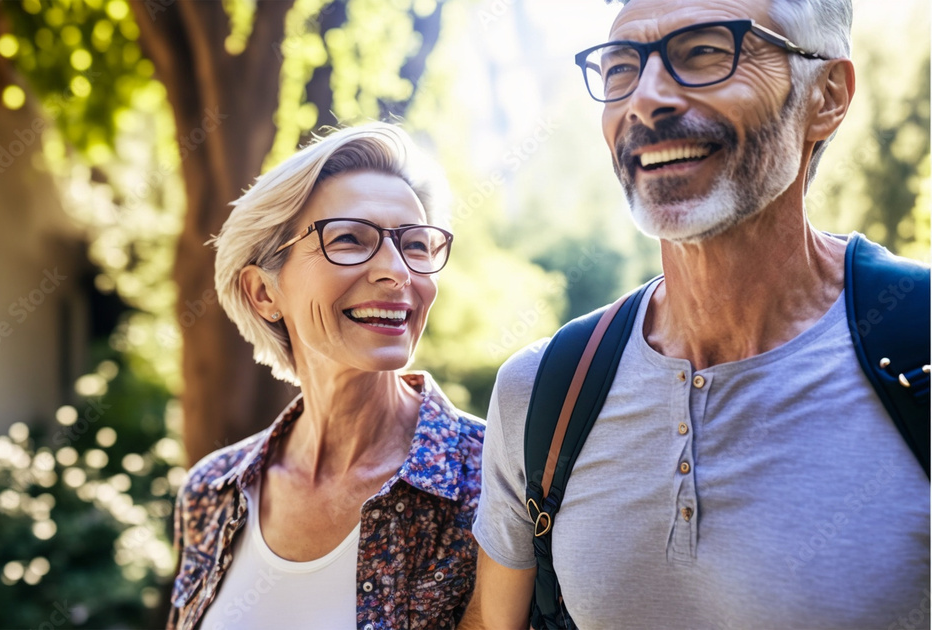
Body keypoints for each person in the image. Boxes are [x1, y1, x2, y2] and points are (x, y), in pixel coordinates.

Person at [463, 0, 930, 629]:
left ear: (827, 94)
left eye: (708, 51)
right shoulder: (543, 391)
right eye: (623, 66)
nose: (646, 98)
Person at [166, 123, 484, 630]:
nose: (398, 271)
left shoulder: (491, 484)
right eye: (350, 239)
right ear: (264, 293)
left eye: (416, 245)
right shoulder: (210, 491)